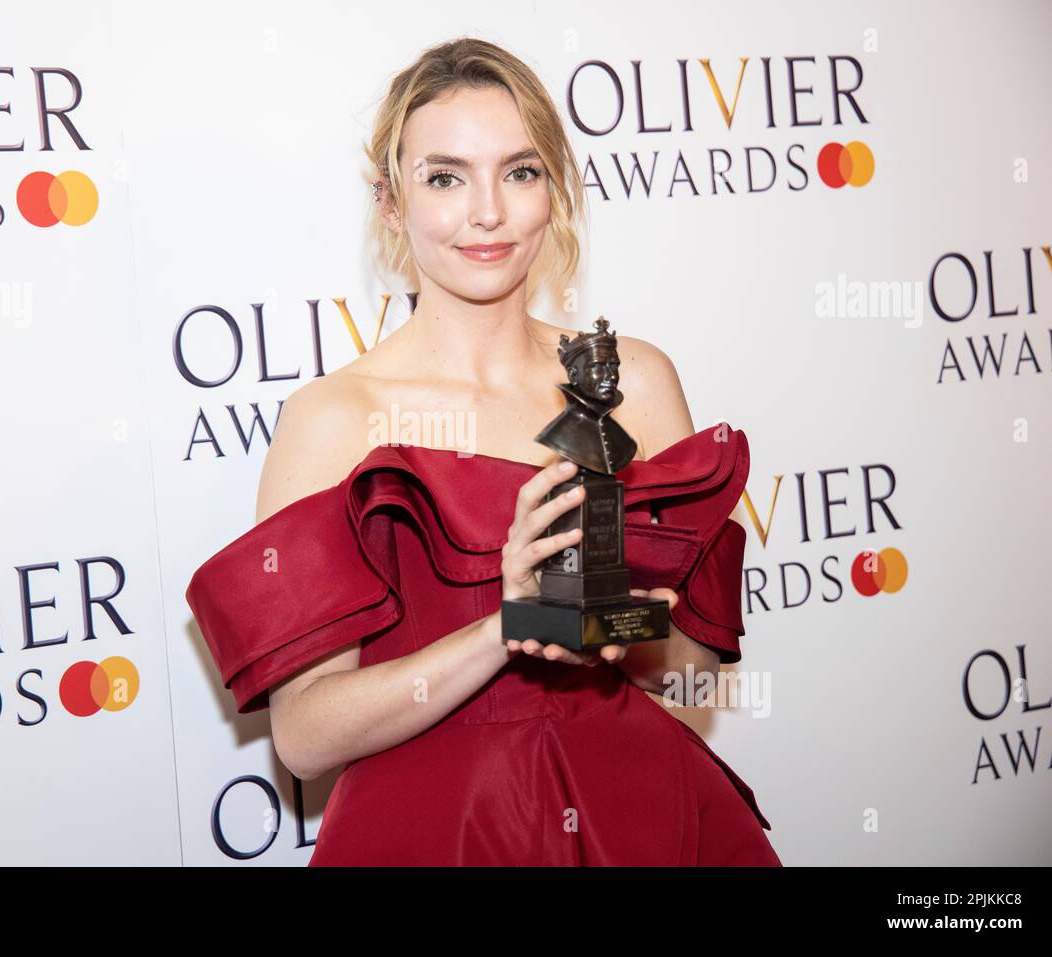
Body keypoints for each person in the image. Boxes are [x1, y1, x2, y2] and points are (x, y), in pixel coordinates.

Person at [186, 37, 781, 866]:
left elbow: (690, 675)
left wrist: (619, 625)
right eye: (445, 176)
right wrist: (504, 627)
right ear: (392, 204)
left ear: (555, 188)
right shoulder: (335, 418)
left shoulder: (634, 382)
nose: (488, 212)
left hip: (637, 814)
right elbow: (306, 735)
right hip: (436, 833)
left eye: (520, 170)